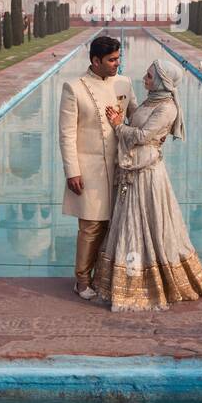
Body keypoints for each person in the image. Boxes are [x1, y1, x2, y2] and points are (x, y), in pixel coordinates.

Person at [98, 58, 202, 312]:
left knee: (149, 225)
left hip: (148, 174)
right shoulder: (151, 101)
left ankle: (154, 284)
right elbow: (137, 126)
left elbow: (142, 136)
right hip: (133, 170)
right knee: (130, 224)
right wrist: (123, 119)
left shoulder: (167, 108)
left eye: (150, 76)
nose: (145, 79)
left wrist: (118, 126)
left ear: (163, 81)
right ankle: (127, 283)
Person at [59, 35, 138, 299]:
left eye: (118, 58)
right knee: (91, 226)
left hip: (120, 167)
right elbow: (66, 134)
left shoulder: (124, 83)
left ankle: (105, 277)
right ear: (96, 60)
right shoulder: (75, 87)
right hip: (89, 169)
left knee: (114, 224)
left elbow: (136, 118)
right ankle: (82, 280)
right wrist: (72, 171)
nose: (117, 63)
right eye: (112, 59)